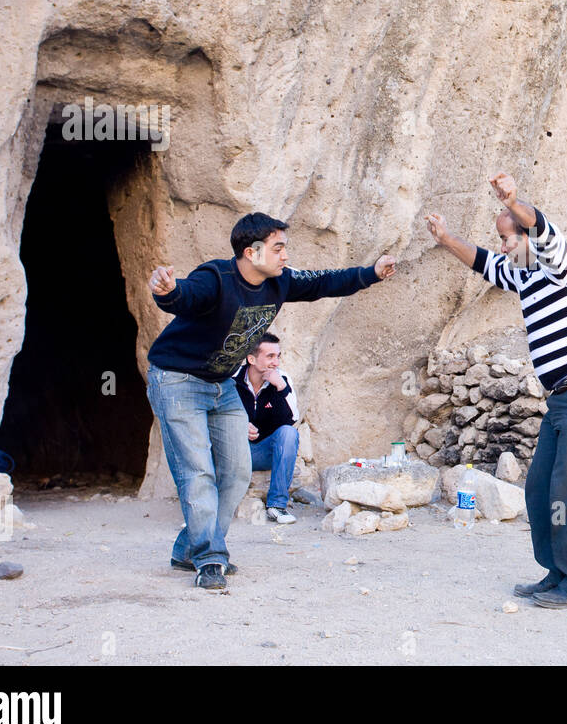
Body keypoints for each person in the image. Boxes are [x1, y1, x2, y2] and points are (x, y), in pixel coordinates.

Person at [147, 213, 396, 590]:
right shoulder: (216, 278)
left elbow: (324, 282)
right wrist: (167, 292)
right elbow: (185, 296)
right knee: (198, 471)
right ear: (251, 252)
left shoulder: (279, 282)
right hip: (178, 381)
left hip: (220, 384)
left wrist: (371, 273)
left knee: (236, 471)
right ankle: (210, 558)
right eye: (278, 247)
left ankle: (188, 548)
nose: (285, 255)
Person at [425, 173, 567, 609]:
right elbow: (481, 262)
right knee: (540, 489)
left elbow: (540, 225)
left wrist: (514, 201)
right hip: (564, 397)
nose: (502, 246)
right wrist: (446, 238)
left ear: (528, 237)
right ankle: (558, 571)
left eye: (507, 238)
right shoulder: (523, 275)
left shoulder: (559, 262)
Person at [234, 332, 300, 525]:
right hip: (234, 452)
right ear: (251, 358)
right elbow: (212, 415)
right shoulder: (232, 380)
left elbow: (292, 418)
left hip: (264, 452)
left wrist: (280, 387)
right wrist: (237, 425)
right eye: (270, 356)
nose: (276, 363)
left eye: (278, 356)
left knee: (289, 434)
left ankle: (276, 506)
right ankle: (207, 509)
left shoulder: (283, 379)